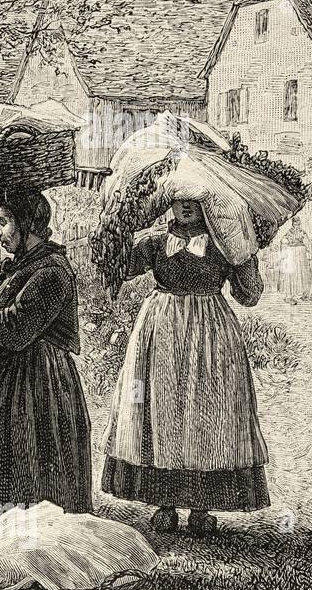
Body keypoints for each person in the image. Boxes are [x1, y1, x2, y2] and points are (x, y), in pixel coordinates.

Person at [0, 190, 93, 581]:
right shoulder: (16, 266)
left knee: (33, 470)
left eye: (3, 222)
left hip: (39, 384)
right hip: (5, 381)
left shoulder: (51, 271)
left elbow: (15, 330)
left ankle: (38, 573)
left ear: (28, 224)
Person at [101, 198, 270, 534]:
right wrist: (115, 231)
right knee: (161, 411)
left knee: (208, 414)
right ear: (170, 202)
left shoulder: (225, 244)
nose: (187, 207)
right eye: (180, 199)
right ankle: (164, 502)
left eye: (196, 199)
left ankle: (202, 507)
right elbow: (119, 268)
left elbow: (250, 295)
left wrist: (244, 254)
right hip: (161, 329)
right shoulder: (154, 243)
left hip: (210, 332)